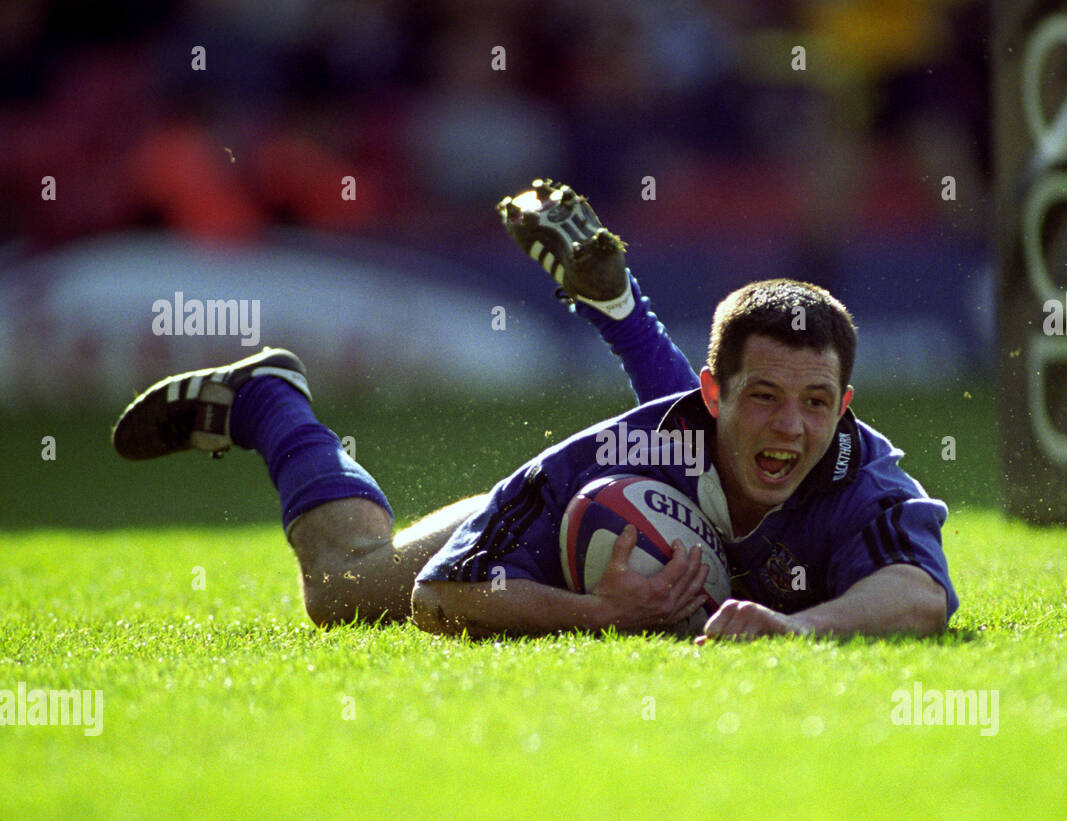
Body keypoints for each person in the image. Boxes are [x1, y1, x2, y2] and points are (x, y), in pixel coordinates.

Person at [112, 179, 956, 640]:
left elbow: (922, 592)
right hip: (567, 527)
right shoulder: (607, 458)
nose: (791, 427)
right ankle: (270, 404)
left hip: (663, 451)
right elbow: (443, 598)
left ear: (844, 405)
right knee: (342, 589)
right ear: (717, 394)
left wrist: (797, 631)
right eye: (765, 397)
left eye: (816, 403)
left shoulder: (855, 464)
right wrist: (600, 614)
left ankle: (616, 302)